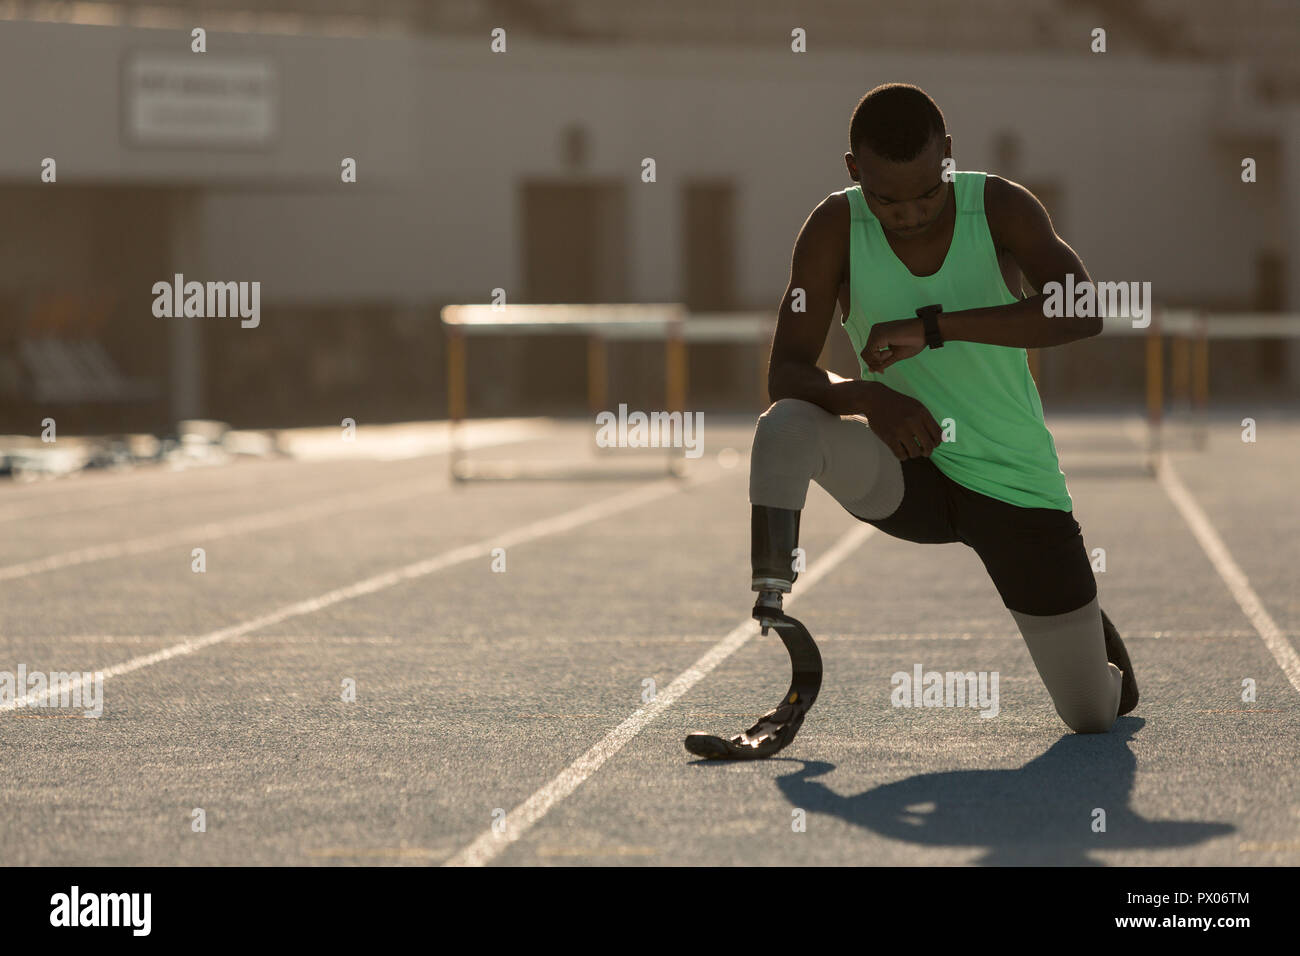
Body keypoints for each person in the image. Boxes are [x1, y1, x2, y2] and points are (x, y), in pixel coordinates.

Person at [749, 82, 1137, 743]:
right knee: (785, 426)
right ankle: (771, 603)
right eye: (886, 199)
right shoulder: (833, 226)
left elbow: (1083, 311)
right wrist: (868, 397)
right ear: (853, 172)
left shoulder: (1001, 206)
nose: (906, 213)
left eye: (926, 194)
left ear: (949, 157)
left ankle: (1094, 641)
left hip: (1013, 482)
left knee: (1094, 717)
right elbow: (786, 371)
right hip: (908, 469)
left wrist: (934, 327)